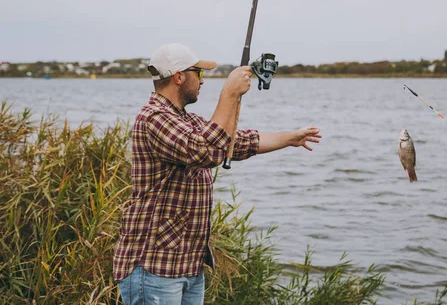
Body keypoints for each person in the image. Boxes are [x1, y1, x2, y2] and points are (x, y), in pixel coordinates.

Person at [113, 43, 321, 304]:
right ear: (179, 76)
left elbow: (236, 142)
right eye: (198, 74)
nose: (202, 81)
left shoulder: (187, 120)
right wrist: (230, 93)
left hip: (188, 265)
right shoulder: (153, 118)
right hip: (153, 266)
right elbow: (205, 150)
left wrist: (291, 138)